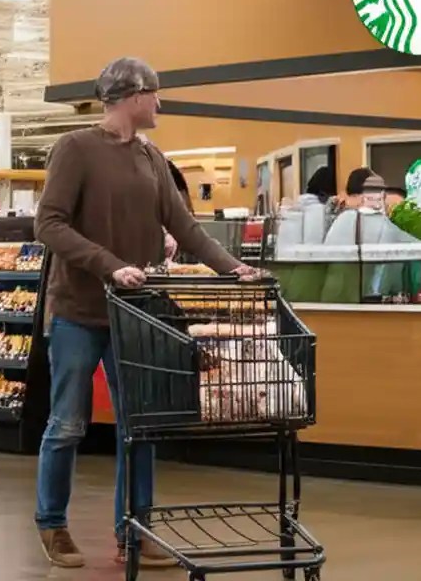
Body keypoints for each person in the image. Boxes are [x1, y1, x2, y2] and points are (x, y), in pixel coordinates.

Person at [33, 56, 260, 569]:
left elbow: (186, 227)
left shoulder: (152, 158)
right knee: (67, 423)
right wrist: (110, 266)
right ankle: (52, 525)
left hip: (133, 312)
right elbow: (48, 225)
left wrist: (232, 269)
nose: (160, 104)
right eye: (156, 95)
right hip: (78, 310)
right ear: (134, 96)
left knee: (141, 425)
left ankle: (135, 530)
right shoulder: (75, 149)